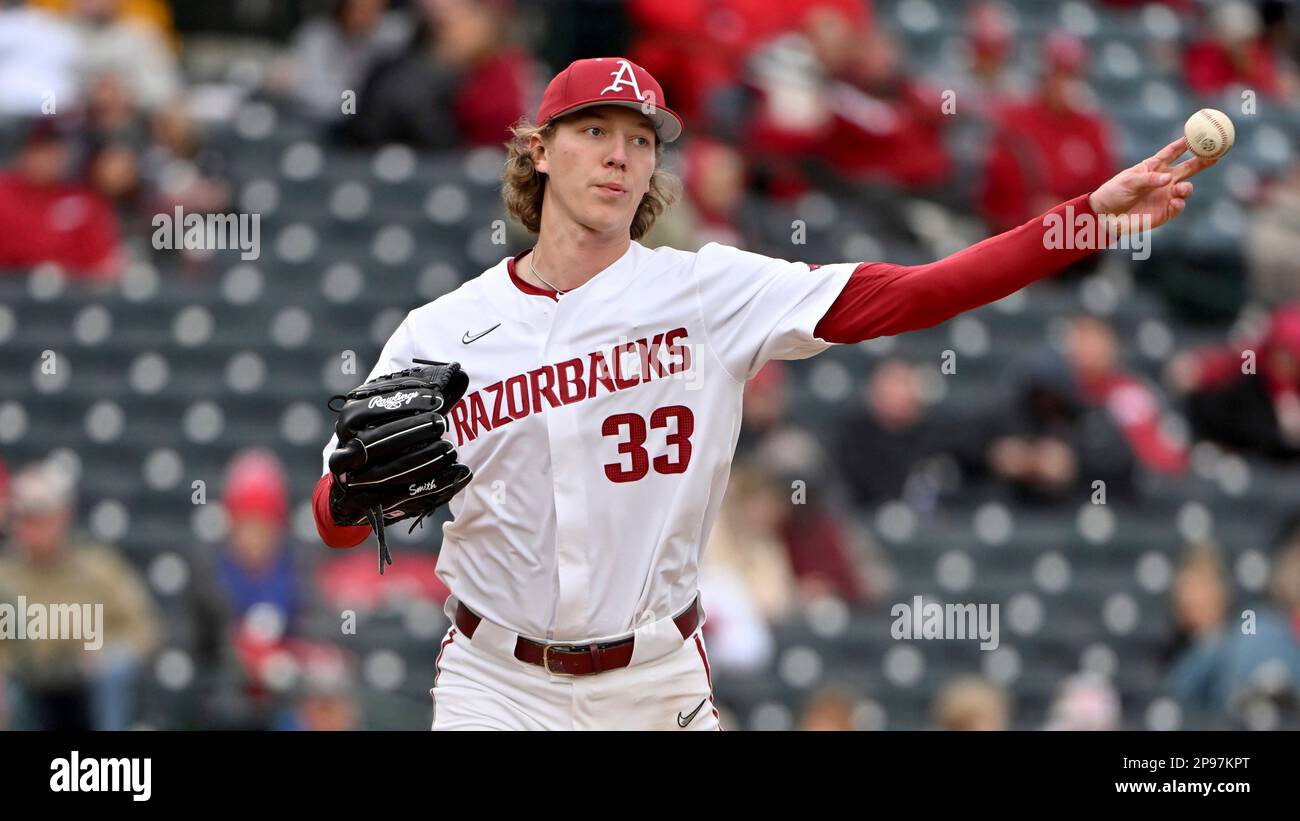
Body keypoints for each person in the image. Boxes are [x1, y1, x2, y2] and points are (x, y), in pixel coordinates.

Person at [313, 56, 1218, 731]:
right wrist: (353, 493)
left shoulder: (707, 290)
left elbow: (918, 291)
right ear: (539, 151)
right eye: (594, 132)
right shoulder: (442, 332)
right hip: (497, 682)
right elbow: (334, 520)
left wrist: (1082, 220)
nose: (620, 155)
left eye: (640, 139)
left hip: (654, 678)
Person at [0, 461, 160, 730]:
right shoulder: (5, 576)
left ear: (63, 516)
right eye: (25, 519)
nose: (33, 528)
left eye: (42, 517)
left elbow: (143, 627)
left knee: (116, 670)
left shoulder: (98, 567)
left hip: (89, 682)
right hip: (26, 684)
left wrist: (101, 653)